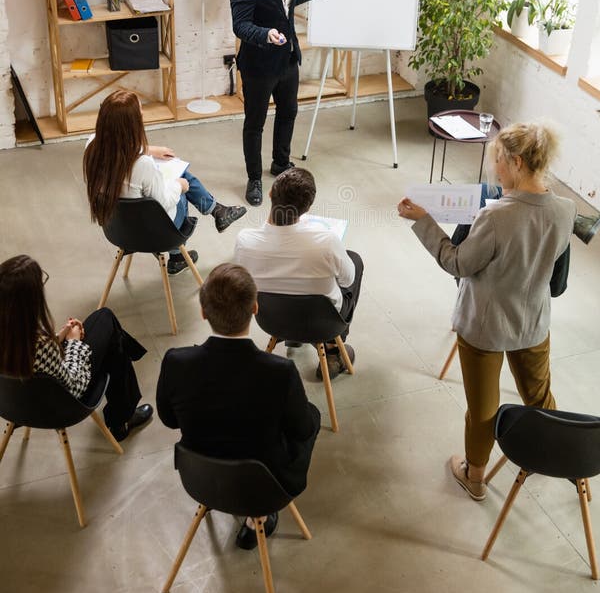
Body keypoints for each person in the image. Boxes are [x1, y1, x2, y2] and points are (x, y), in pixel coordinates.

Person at [397, 122, 576, 501]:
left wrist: (423, 222)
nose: (495, 169)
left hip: (485, 327)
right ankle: (551, 453)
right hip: (533, 323)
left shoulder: (495, 216)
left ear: (515, 161)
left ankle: (474, 475)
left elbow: (458, 263)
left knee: (483, 408)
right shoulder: (566, 210)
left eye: (498, 160)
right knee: (539, 395)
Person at [156, 262, 320, 550]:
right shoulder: (279, 372)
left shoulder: (176, 362)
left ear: (203, 312)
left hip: (200, 479)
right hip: (266, 486)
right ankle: (257, 515)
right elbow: (302, 428)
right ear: (255, 309)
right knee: (312, 417)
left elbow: (169, 419)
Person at [229, 0, 353, 207]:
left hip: (287, 59)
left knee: (289, 112)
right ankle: (255, 179)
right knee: (255, 123)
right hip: (258, 64)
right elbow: (240, 25)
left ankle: (281, 164)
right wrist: (265, 34)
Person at [83, 90, 246, 275]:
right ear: (132, 123)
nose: (143, 114)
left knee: (177, 174)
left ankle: (215, 213)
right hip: (151, 233)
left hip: (116, 229)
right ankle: (183, 249)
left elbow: (118, 145)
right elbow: (165, 203)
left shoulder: (92, 146)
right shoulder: (142, 165)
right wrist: (180, 186)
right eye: (140, 112)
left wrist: (150, 150)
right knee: (183, 185)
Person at [0, 254, 152, 442]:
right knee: (107, 323)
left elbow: (32, 358)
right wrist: (73, 342)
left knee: (110, 336)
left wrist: (58, 337)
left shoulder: (19, 336)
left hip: (12, 405)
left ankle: (123, 415)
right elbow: (75, 385)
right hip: (60, 406)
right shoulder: (41, 345)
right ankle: (122, 418)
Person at [234, 166, 364, 380]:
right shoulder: (326, 241)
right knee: (354, 261)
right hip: (323, 323)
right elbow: (347, 279)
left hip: (271, 320)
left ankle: (293, 338)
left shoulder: (245, 240)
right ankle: (333, 349)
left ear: (269, 195)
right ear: (308, 208)